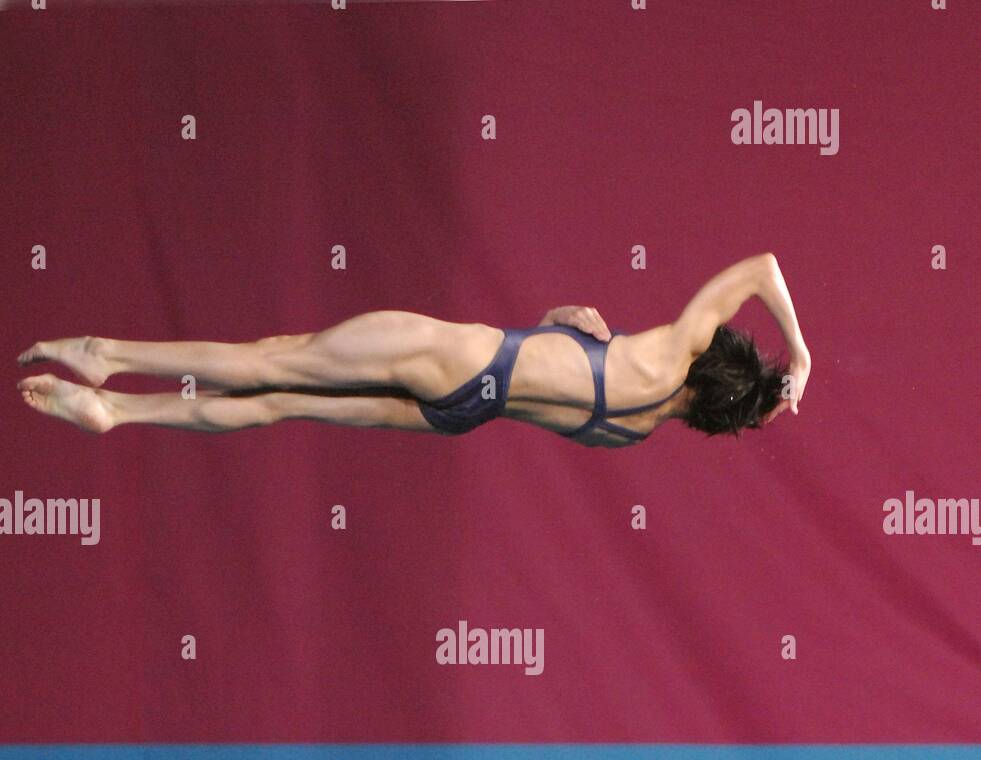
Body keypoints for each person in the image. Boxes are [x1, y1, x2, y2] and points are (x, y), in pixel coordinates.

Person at [17, 253, 810, 447]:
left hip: (462, 360)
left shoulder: (673, 350)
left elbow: (761, 269)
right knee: (280, 404)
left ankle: (104, 352)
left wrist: (797, 360)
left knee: (276, 358)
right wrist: (555, 325)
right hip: (460, 412)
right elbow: (544, 379)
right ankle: (119, 411)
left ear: (712, 358)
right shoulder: (637, 426)